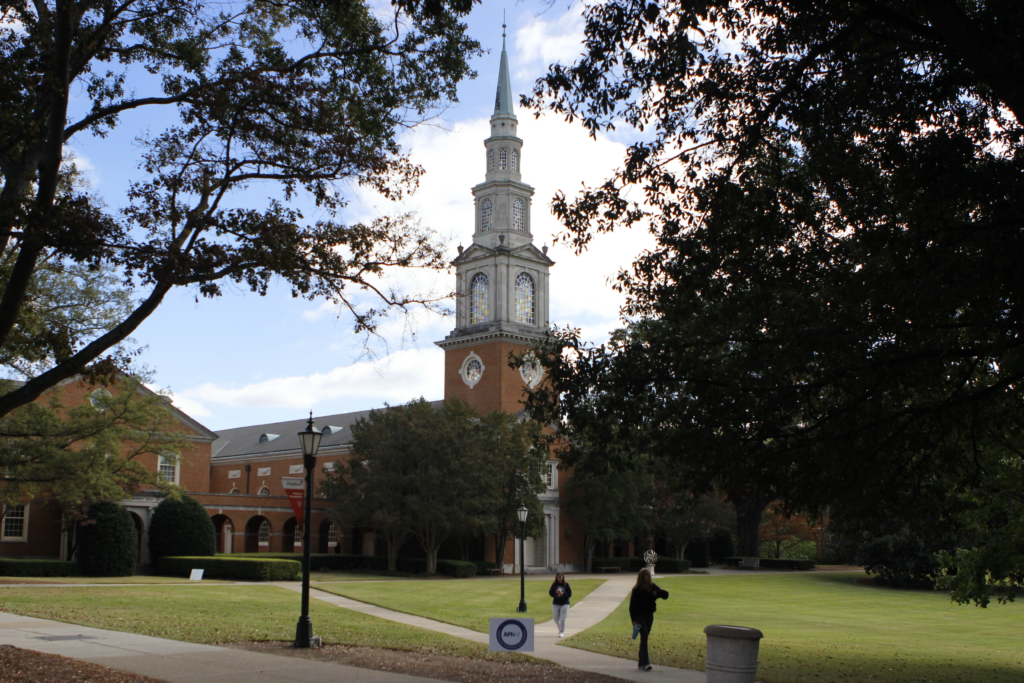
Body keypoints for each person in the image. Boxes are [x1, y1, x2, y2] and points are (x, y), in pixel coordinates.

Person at [629, 568, 669, 671]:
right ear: (642, 577)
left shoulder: (652, 587)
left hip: (649, 615)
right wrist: (633, 620)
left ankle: (641, 662)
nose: (649, 576)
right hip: (639, 615)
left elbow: (666, 595)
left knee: (644, 638)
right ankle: (646, 663)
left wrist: (657, 593)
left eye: (649, 574)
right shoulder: (636, 590)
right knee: (645, 635)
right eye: (647, 575)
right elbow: (632, 606)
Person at [549, 572, 572, 637]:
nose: (560, 578)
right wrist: (556, 593)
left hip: (565, 603)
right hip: (556, 603)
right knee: (555, 618)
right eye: (558, 577)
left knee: (563, 618)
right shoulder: (554, 585)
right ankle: (560, 628)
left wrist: (563, 593)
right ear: (556, 578)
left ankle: (561, 632)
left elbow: (569, 594)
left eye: (561, 577)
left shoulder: (566, 585)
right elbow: (550, 593)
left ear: (563, 577)